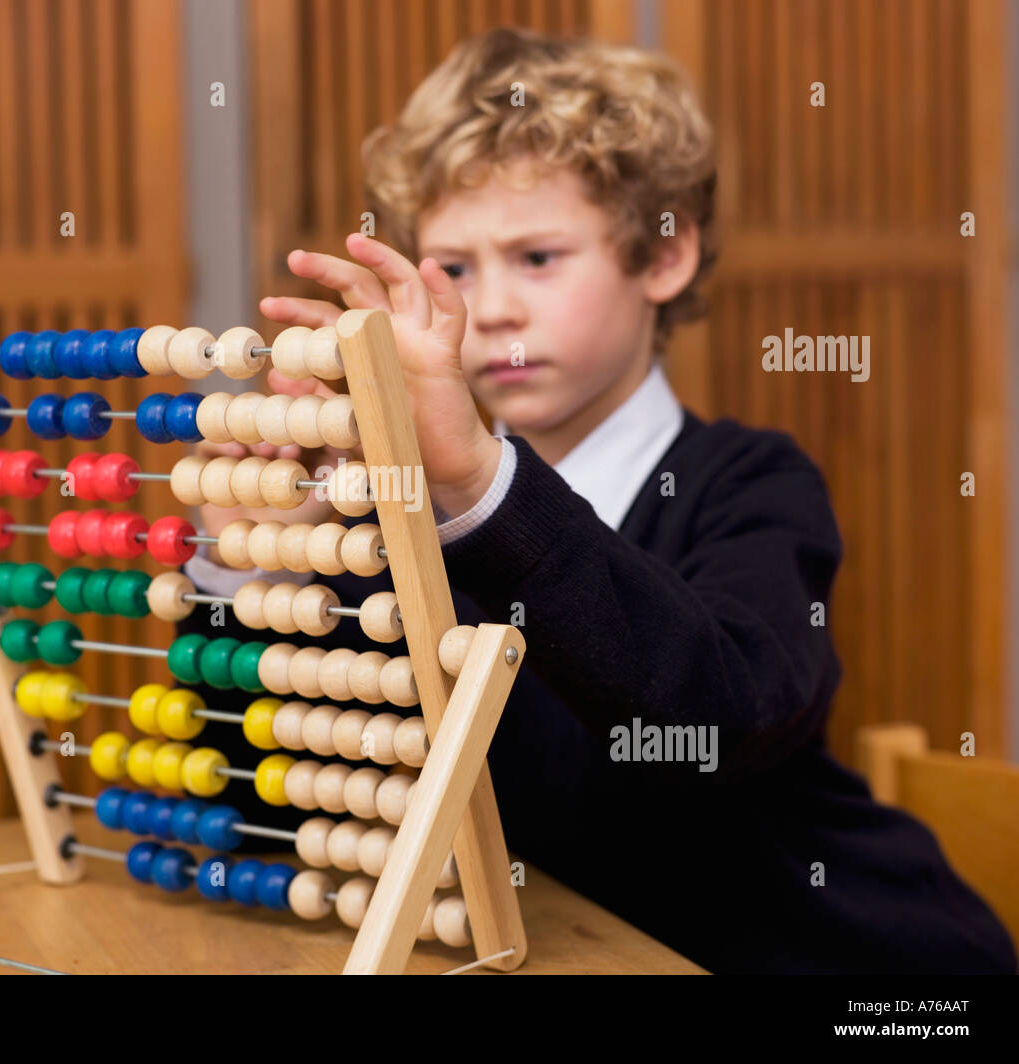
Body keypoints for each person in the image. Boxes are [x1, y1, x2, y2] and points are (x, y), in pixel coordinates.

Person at [179, 27, 1016, 974]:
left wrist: (480, 484)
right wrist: (258, 568)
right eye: (453, 267)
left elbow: (712, 720)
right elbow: (268, 818)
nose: (494, 308)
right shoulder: (380, 536)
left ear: (663, 258)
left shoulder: (752, 484)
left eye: (538, 257)